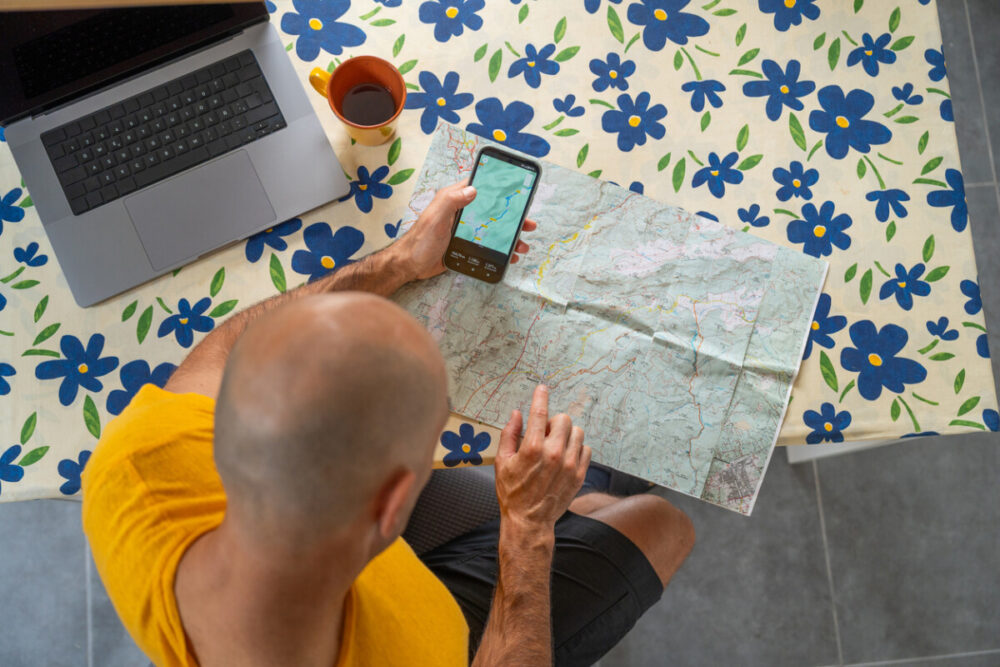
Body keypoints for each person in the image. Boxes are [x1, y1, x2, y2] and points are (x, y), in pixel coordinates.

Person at [82, 181, 695, 667]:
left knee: (585, 506)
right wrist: (527, 528)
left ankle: (579, 505)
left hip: (363, 564)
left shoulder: (138, 455)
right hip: (461, 640)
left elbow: (230, 348)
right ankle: (581, 505)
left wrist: (397, 263)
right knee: (660, 523)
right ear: (394, 498)